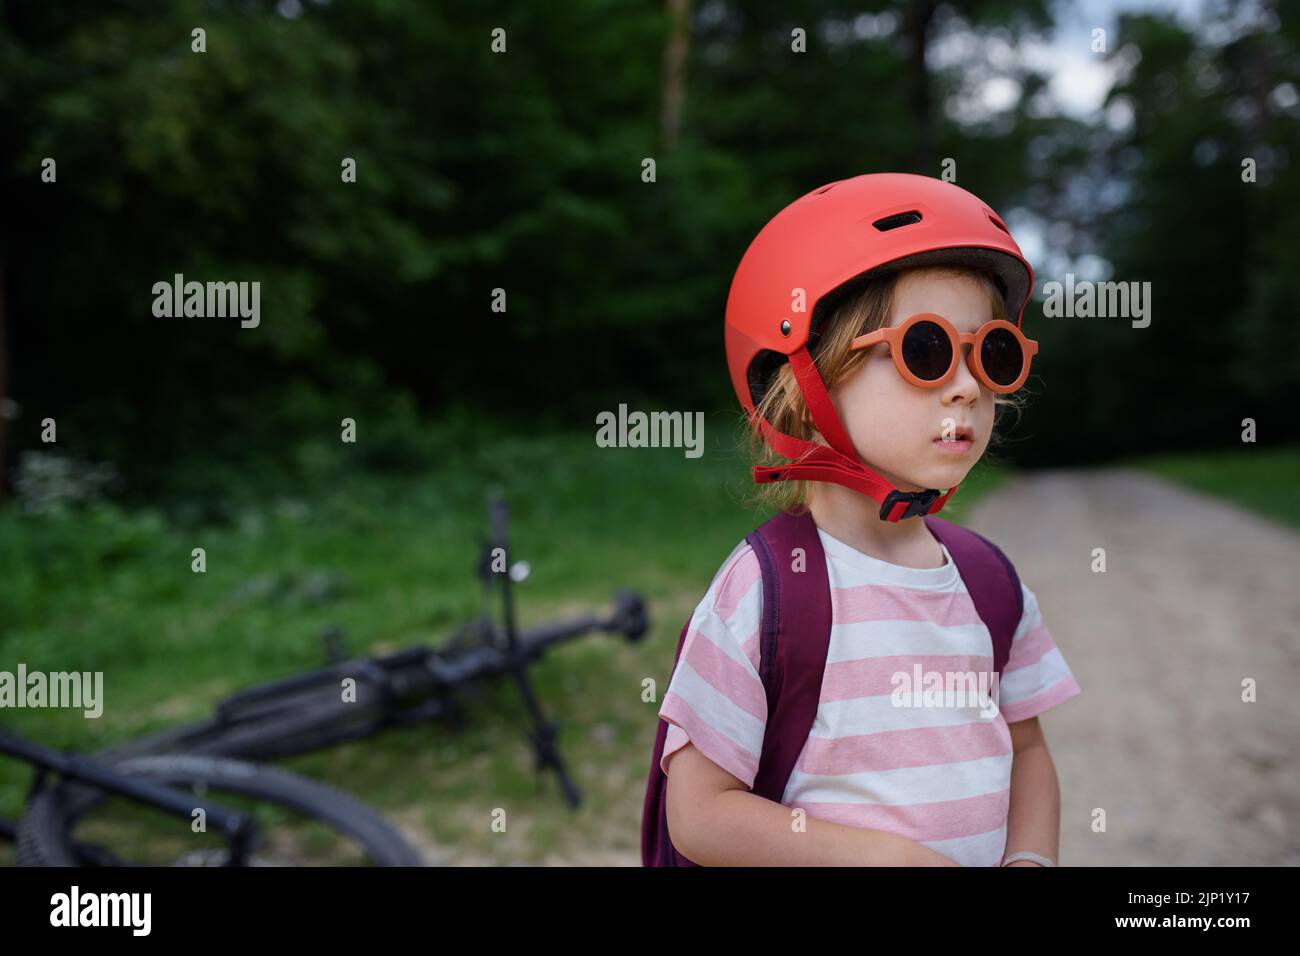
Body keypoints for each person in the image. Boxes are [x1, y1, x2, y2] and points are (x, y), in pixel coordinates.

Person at [657, 173, 1081, 866]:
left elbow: (1028, 751)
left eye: (991, 354)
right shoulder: (764, 593)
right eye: (927, 350)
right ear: (806, 379)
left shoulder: (987, 582)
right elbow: (699, 813)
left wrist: (1029, 859)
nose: (969, 385)